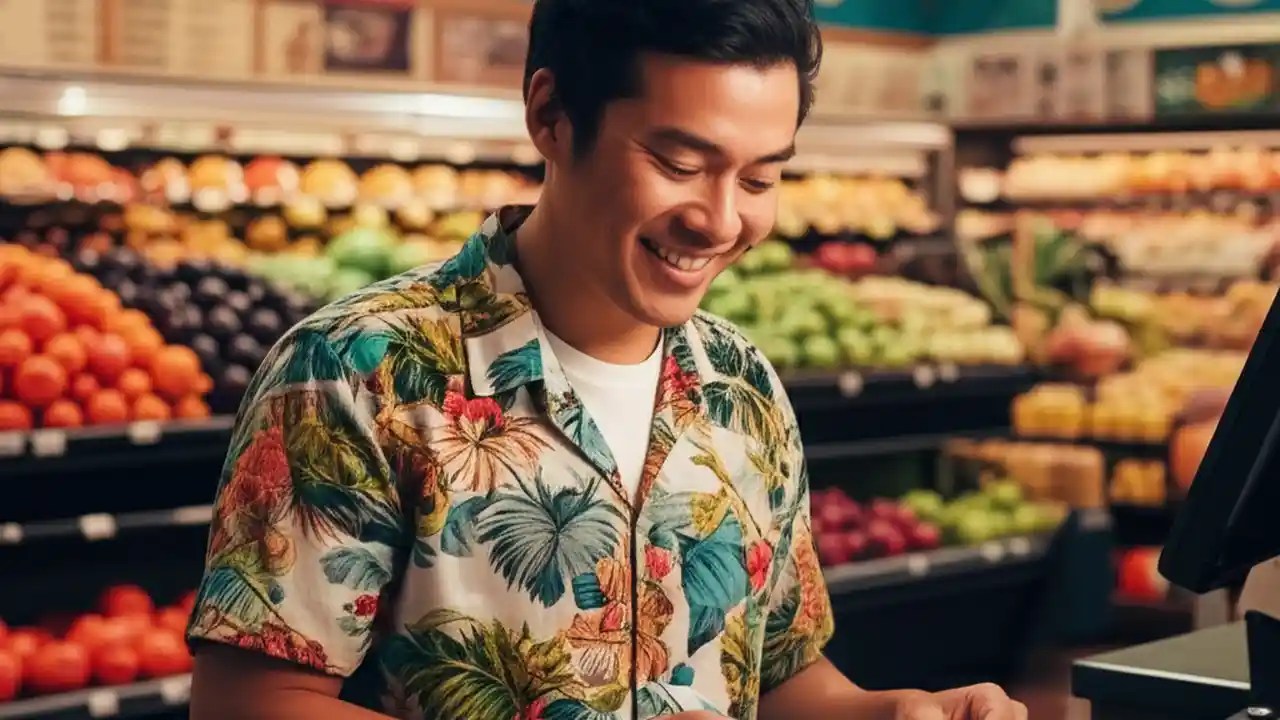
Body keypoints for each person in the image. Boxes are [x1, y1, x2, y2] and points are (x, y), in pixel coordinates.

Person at [187, 0, 1029, 718]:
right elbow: (249, 703)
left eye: (762, 179)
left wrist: (892, 712)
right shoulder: (356, 374)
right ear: (551, 116)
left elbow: (778, 675)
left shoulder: (743, 389)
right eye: (679, 163)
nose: (721, 220)